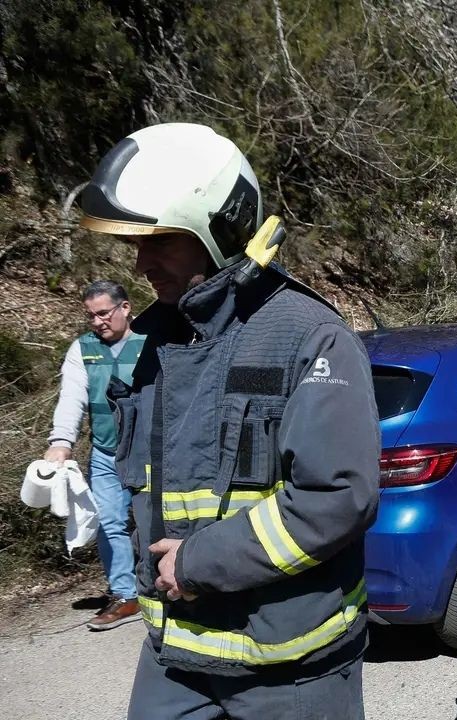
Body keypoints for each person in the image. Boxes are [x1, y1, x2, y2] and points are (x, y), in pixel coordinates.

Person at [78, 123, 380, 719]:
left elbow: (337, 498)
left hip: (291, 663)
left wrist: (197, 563)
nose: (141, 264)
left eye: (160, 241)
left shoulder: (308, 337)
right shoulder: (155, 340)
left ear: (217, 232)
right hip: (178, 651)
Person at [45, 280, 147, 630]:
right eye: (91, 315)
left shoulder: (150, 342)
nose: (97, 321)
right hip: (106, 452)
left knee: (159, 521)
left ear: (125, 308)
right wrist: (61, 441)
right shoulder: (83, 348)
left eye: (103, 313)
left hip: (151, 450)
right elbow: (71, 397)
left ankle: (174, 586)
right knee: (107, 521)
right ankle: (126, 595)